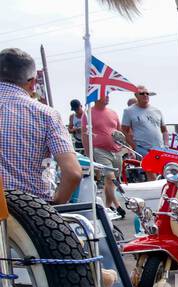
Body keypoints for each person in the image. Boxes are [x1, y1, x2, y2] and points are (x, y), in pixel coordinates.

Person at [0, 48, 79, 203]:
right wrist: (53, 209)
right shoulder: (47, 114)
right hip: (32, 212)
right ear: (32, 83)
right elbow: (73, 173)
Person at [89, 91, 124, 213]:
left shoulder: (113, 113)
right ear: (97, 97)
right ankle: (118, 206)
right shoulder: (88, 113)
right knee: (110, 178)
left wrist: (127, 146)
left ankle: (108, 207)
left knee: (112, 181)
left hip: (116, 150)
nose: (108, 97)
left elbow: (119, 131)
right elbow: (84, 134)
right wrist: (89, 154)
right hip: (100, 150)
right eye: (105, 94)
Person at [121, 85, 166, 158]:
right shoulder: (128, 111)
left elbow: (164, 130)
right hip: (142, 149)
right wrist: (134, 147)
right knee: (144, 169)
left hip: (159, 150)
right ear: (136, 95)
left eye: (147, 93)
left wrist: (166, 145)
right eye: (142, 93)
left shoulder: (157, 111)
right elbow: (124, 130)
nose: (145, 95)